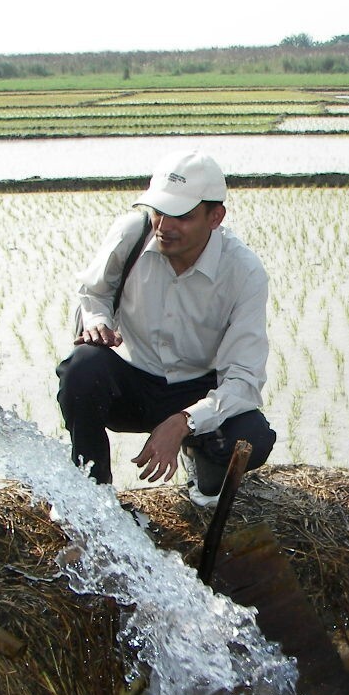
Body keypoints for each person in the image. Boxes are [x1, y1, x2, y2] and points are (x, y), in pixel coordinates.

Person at [56, 149, 276, 508]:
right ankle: (94, 497)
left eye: (182, 217)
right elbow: (94, 291)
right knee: (81, 369)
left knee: (251, 437)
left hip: (198, 388)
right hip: (130, 383)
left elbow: (244, 380)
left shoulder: (244, 272)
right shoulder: (133, 233)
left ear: (215, 217)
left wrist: (185, 421)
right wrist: (98, 322)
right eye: (159, 212)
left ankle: (203, 471)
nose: (164, 227)